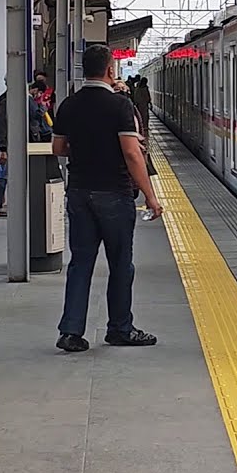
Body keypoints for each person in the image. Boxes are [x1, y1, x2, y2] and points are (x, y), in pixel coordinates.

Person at [51, 44, 162, 352]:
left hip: (79, 192)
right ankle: (120, 328)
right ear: (111, 70)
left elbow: (58, 149)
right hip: (114, 193)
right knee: (121, 264)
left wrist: (86, 150)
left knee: (81, 263)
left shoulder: (69, 105)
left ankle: (71, 331)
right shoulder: (120, 106)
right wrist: (151, 197)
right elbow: (131, 153)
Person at [0, 83, 52, 215]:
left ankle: (1, 203)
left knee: (6, 173)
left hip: (17, 141)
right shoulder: (20, 100)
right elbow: (3, 124)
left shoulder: (12, 99)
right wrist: (3, 147)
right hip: (15, 143)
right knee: (5, 173)